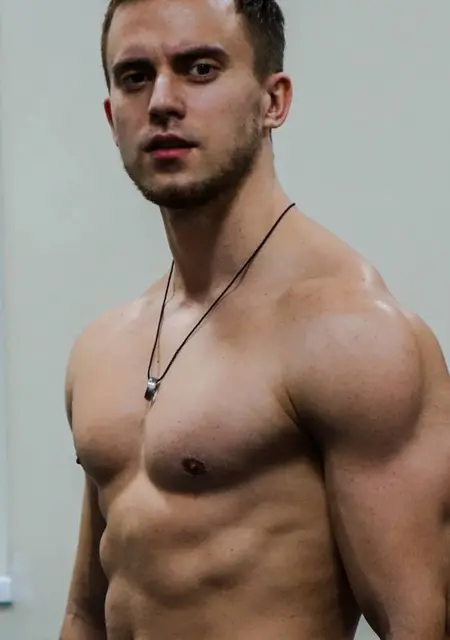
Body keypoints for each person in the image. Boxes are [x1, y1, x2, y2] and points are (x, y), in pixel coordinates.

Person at [60, 0, 450, 638]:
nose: (162, 101)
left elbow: (420, 624)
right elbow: (85, 613)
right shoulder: (103, 348)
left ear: (274, 101)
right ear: (111, 116)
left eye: (200, 69)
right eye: (135, 76)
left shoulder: (352, 334)